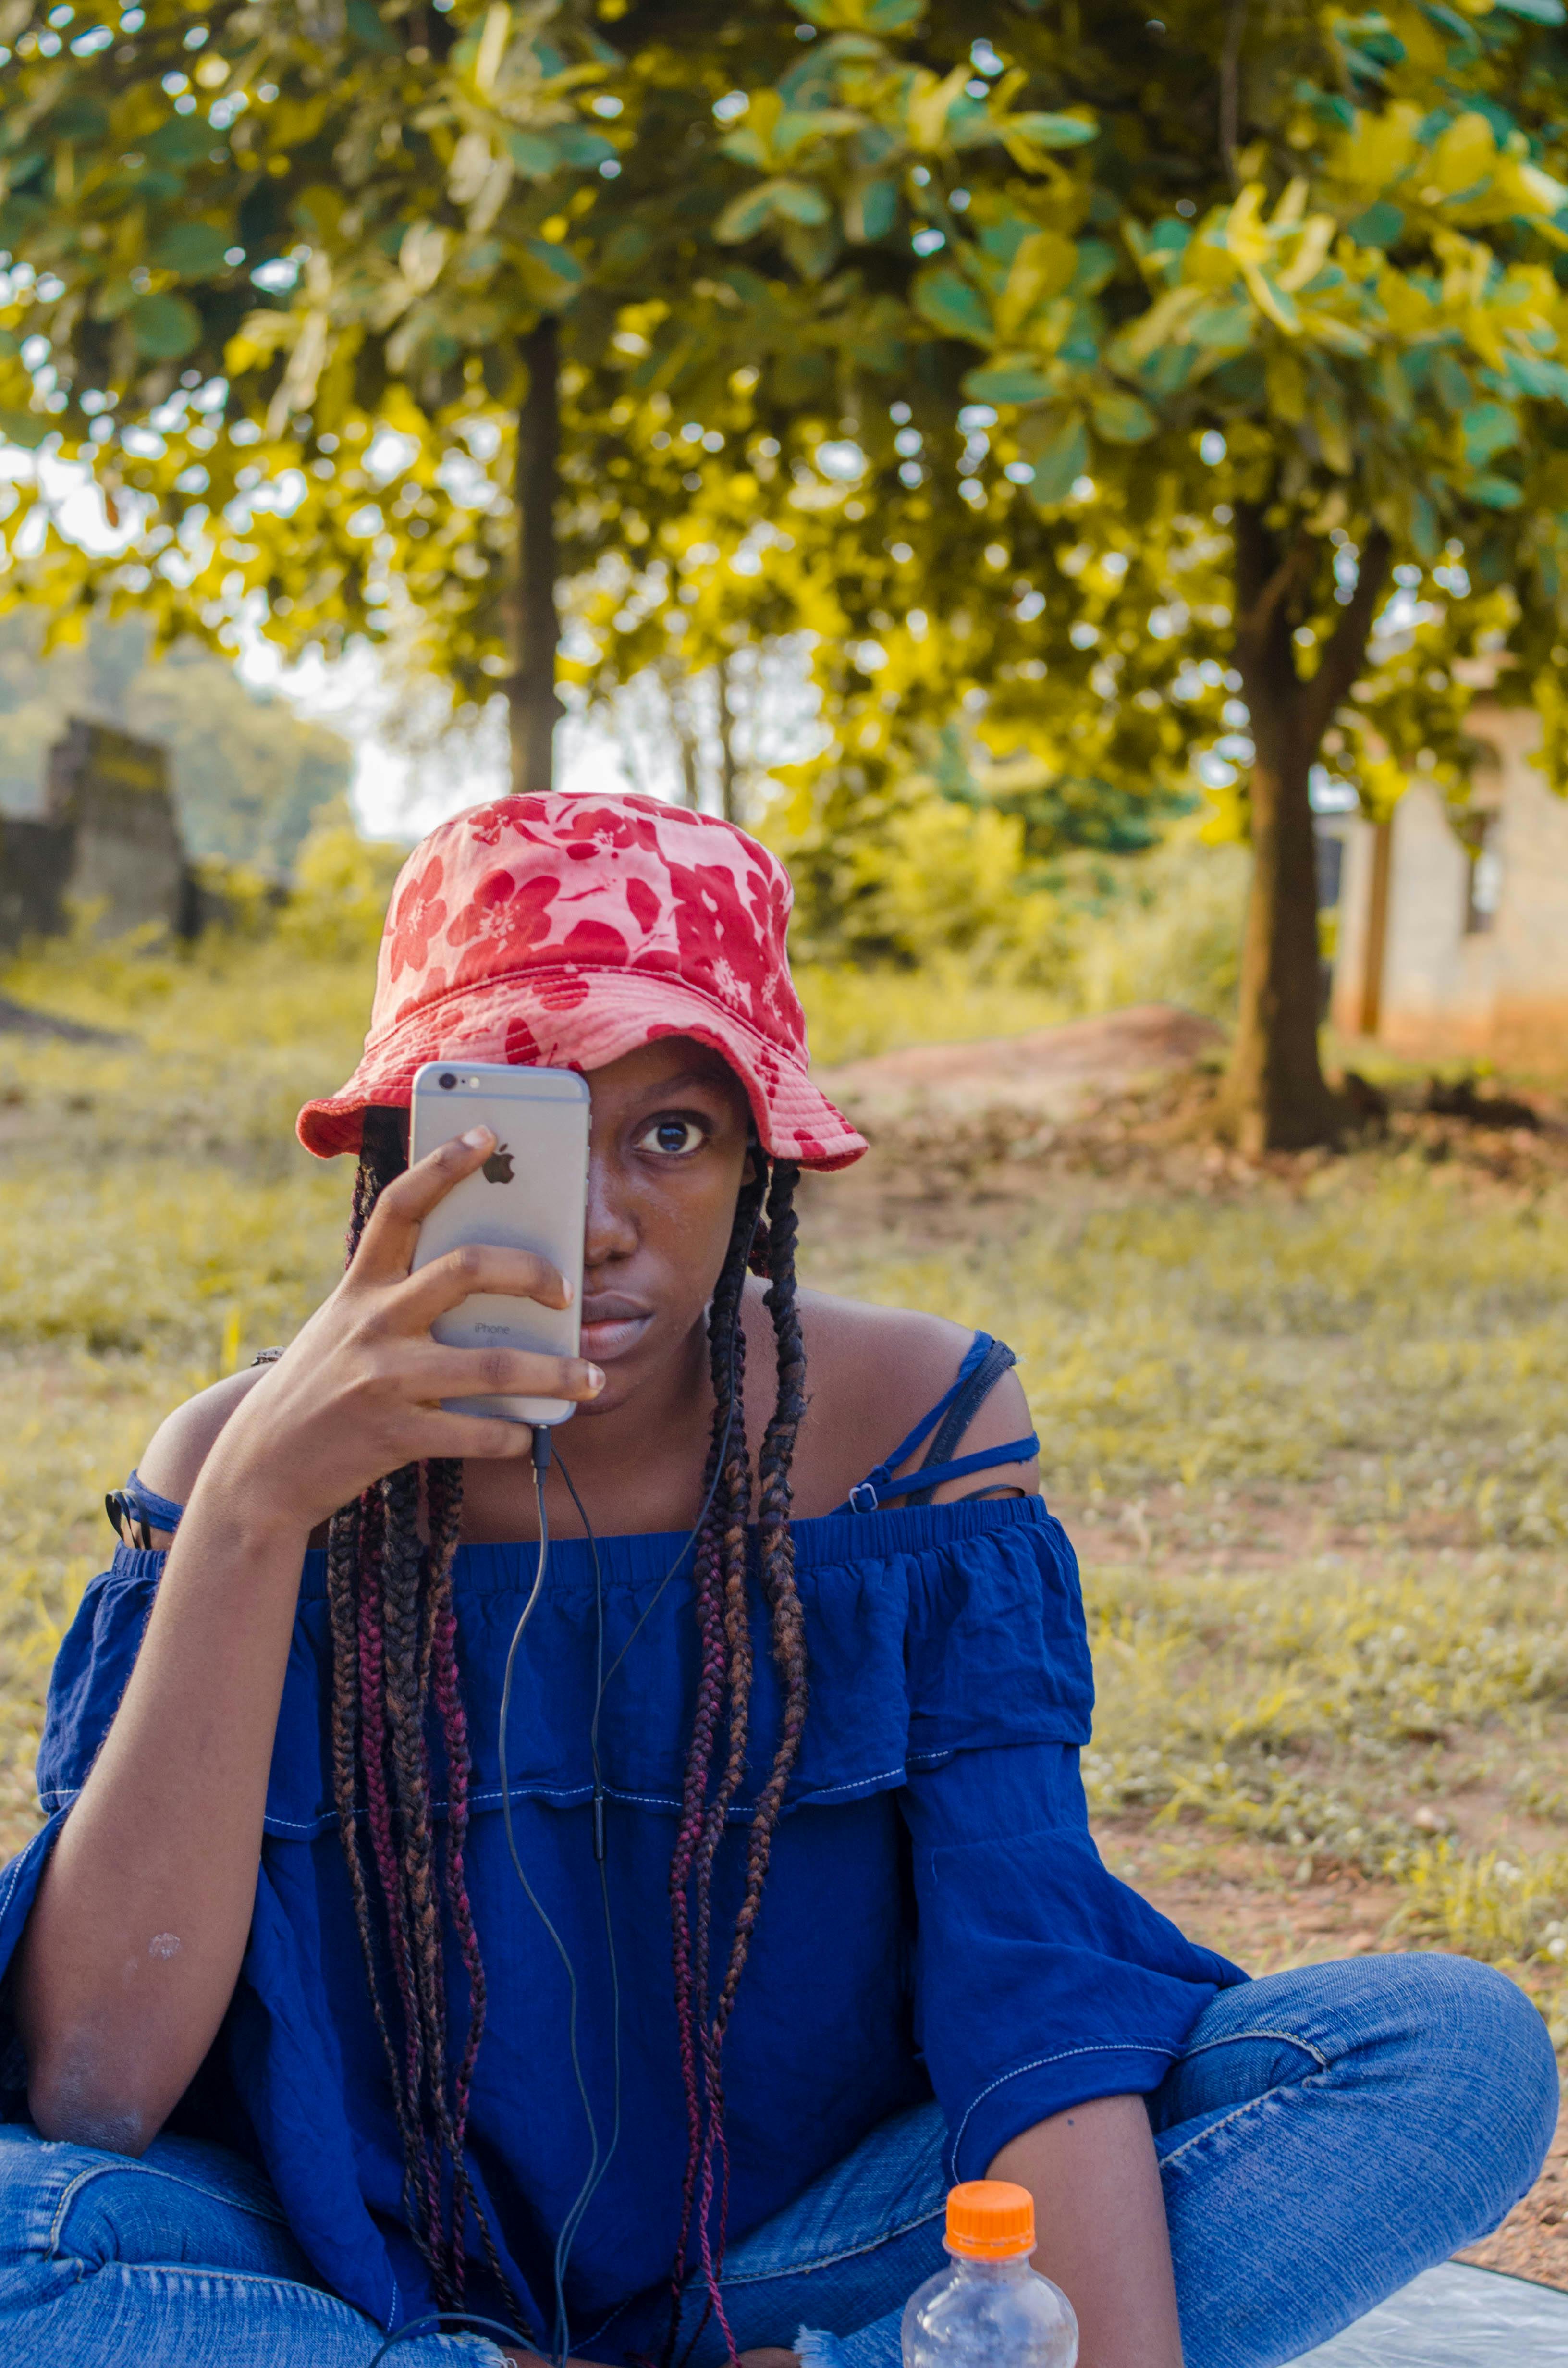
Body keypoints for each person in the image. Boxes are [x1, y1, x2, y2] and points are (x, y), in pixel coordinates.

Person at [0, 794, 1554, 2368]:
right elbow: (91, 2088)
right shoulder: (234, 1462)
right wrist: (259, 1513)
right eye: (518, 1141)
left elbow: (1031, 1972)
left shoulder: (906, 1428)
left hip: (812, 2247)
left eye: (671, 1132)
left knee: (1448, 2052)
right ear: (410, 1143)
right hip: (353, 2253)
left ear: (757, 1159)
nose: (598, 1227)